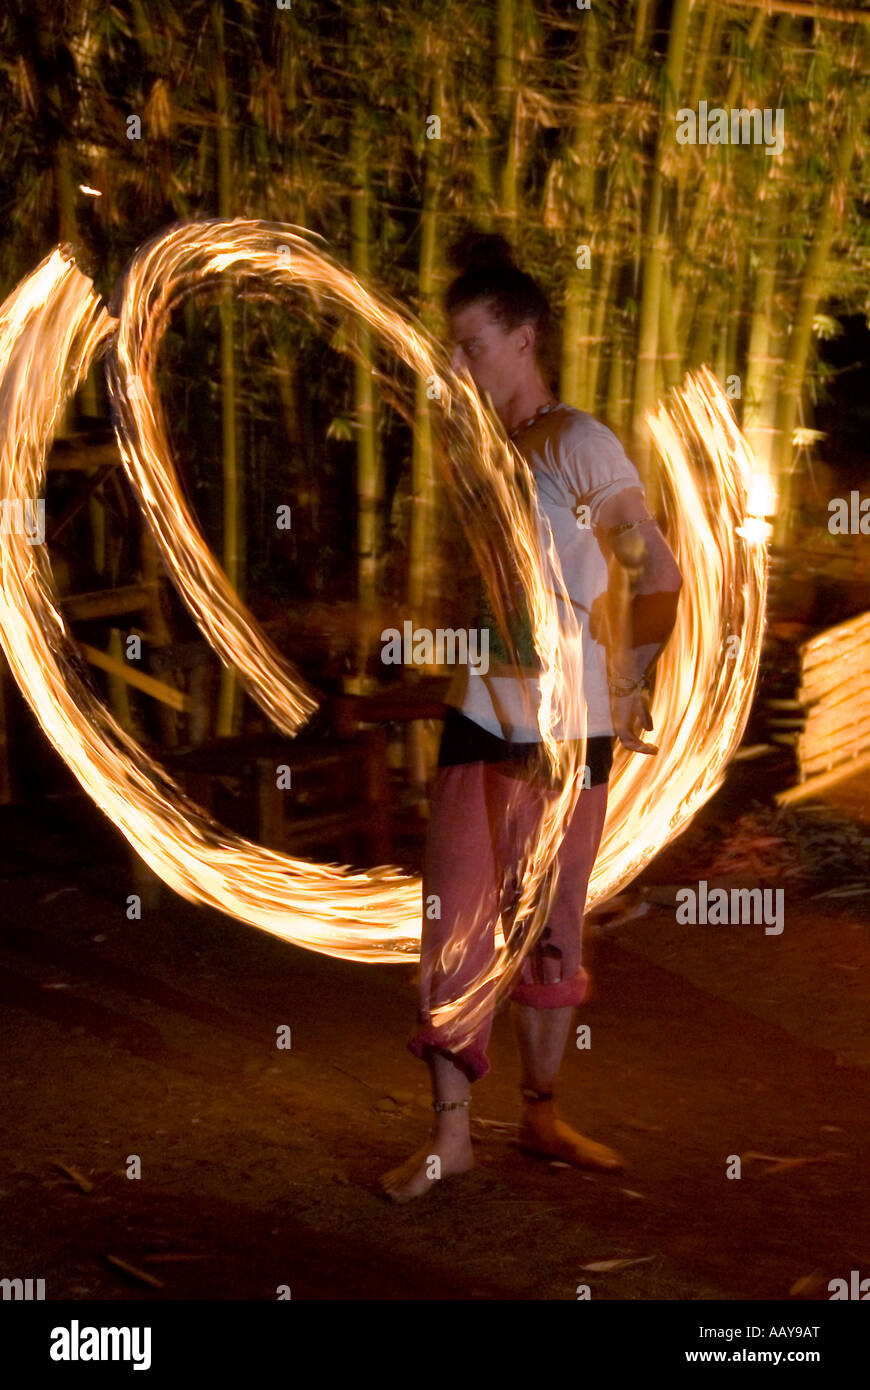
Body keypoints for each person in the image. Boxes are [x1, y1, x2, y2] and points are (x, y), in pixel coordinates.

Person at [381, 232, 683, 1203]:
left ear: (524, 336)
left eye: (471, 343)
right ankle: (453, 1137)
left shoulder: (575, 441)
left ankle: (543, 1114)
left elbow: (659, 570)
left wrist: (632, 678)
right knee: (455, 928)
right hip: (477, 717)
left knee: (551, 933)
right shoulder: (483, 451)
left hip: (565, 729)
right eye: (452, 344)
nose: (456, 362)